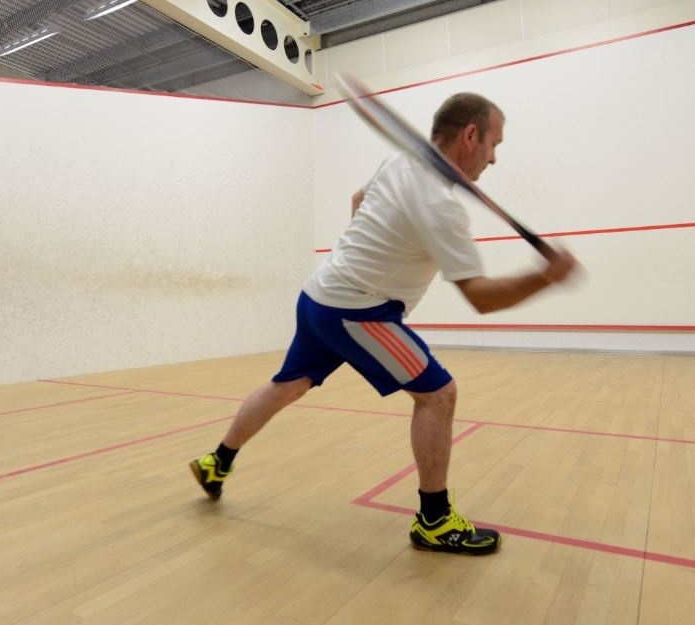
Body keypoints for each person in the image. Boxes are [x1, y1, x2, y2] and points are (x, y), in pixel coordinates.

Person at [190, 93, 577, 555]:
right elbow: (480, 298)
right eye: (494, 143)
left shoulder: (400, 162)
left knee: (287, 384)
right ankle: (434, 520)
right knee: (438, 394)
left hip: (319, 294)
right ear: (470, 135)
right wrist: (546, 277)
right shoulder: (440, 204)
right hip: (357, 312)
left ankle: (217, 462)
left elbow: (359, 200)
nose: (493, 157)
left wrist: (365, 256)